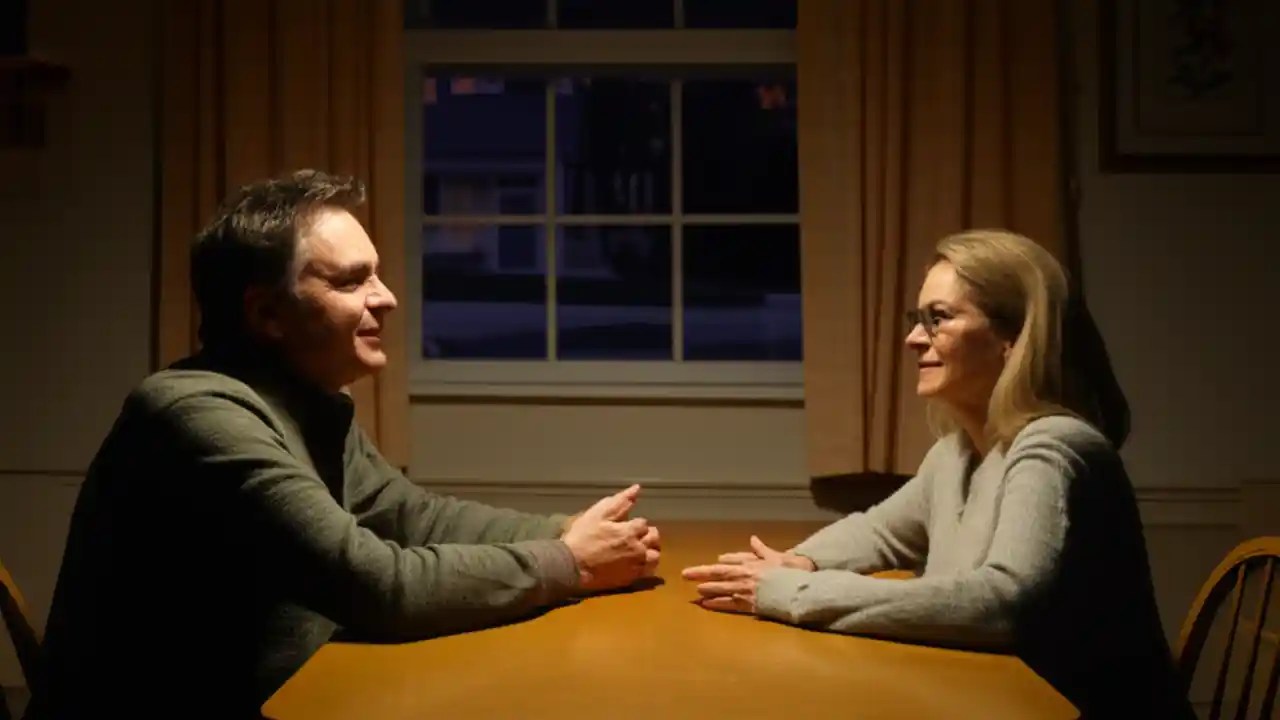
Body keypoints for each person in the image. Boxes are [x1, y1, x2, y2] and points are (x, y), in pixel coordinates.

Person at [28, 170, 660, 718]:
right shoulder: (195, 414)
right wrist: (570, 563)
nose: (384, 299)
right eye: (351, 281)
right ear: (267, 314)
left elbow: (414, 517)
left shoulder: (305, 396)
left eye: (376, 276)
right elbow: (374, 586)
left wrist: (565, 528)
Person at [682, 230, 1193, 719]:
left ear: (1013, 339)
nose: (911, 339)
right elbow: (880, 531)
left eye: (938, 319)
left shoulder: (1055, 445)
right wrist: (799, 561)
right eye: (916, 318)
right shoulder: (958, 452)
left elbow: (1002, 605)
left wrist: (788, 593)